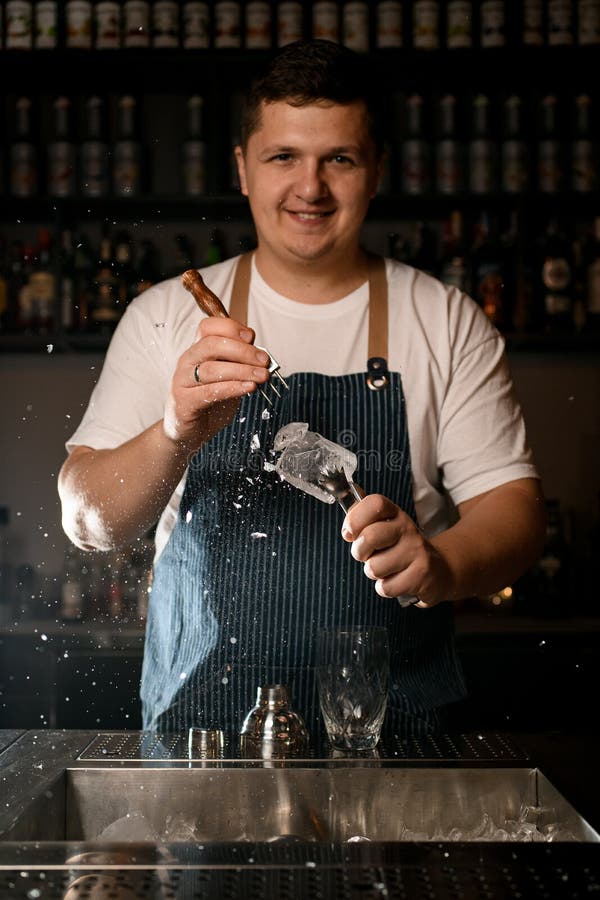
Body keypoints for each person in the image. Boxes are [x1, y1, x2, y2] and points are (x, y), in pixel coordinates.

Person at [58, 39, 545, 739]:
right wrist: (174, 431)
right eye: (283, 157)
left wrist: (441, 563)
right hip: (204, 743)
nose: (310, 188)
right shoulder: (164, 316)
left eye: (339, 159)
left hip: (393, 738)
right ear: (243, 169)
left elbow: (516, 514)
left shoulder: (443, 318)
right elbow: (88, 521)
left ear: (375, 170)